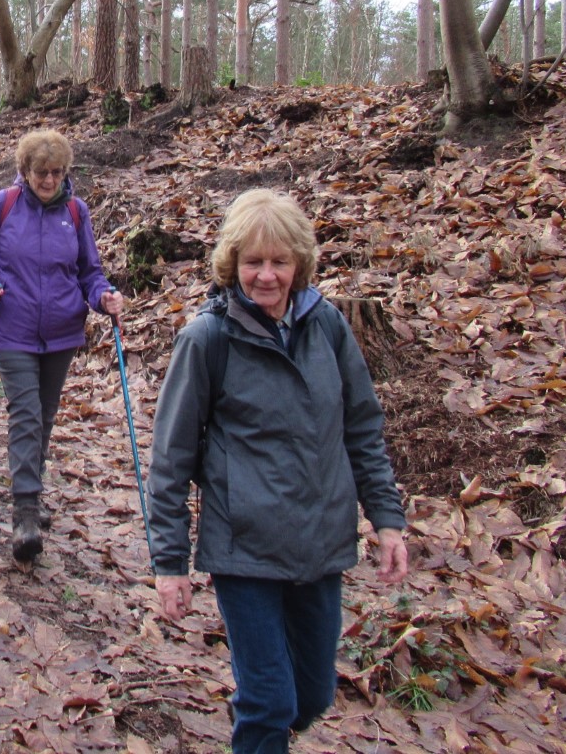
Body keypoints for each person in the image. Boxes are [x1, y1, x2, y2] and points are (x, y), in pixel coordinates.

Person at [146, 188, 409, 754]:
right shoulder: (207, 339)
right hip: (245, 550)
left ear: (299, 264)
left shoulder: (329, 327)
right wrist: (170, 564)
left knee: (310, 697)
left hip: (321, 544)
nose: (266, 275)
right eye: (252, 262)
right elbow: (170, 459)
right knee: (269, 702)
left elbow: (361, 427)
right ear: (231, 264)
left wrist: (387, 520)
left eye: (279, 262)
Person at [0, 129, 122, 563]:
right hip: (11, 328)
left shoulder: (76, 211)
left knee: (45, 416)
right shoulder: (5, 204)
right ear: (24, 171)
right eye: (40, 173)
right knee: (27, 413)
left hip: (62, 331)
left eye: (56, 173)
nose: (48, 181)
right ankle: (25, 511)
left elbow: (90, 271)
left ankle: (31, 487)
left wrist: (103, 297)